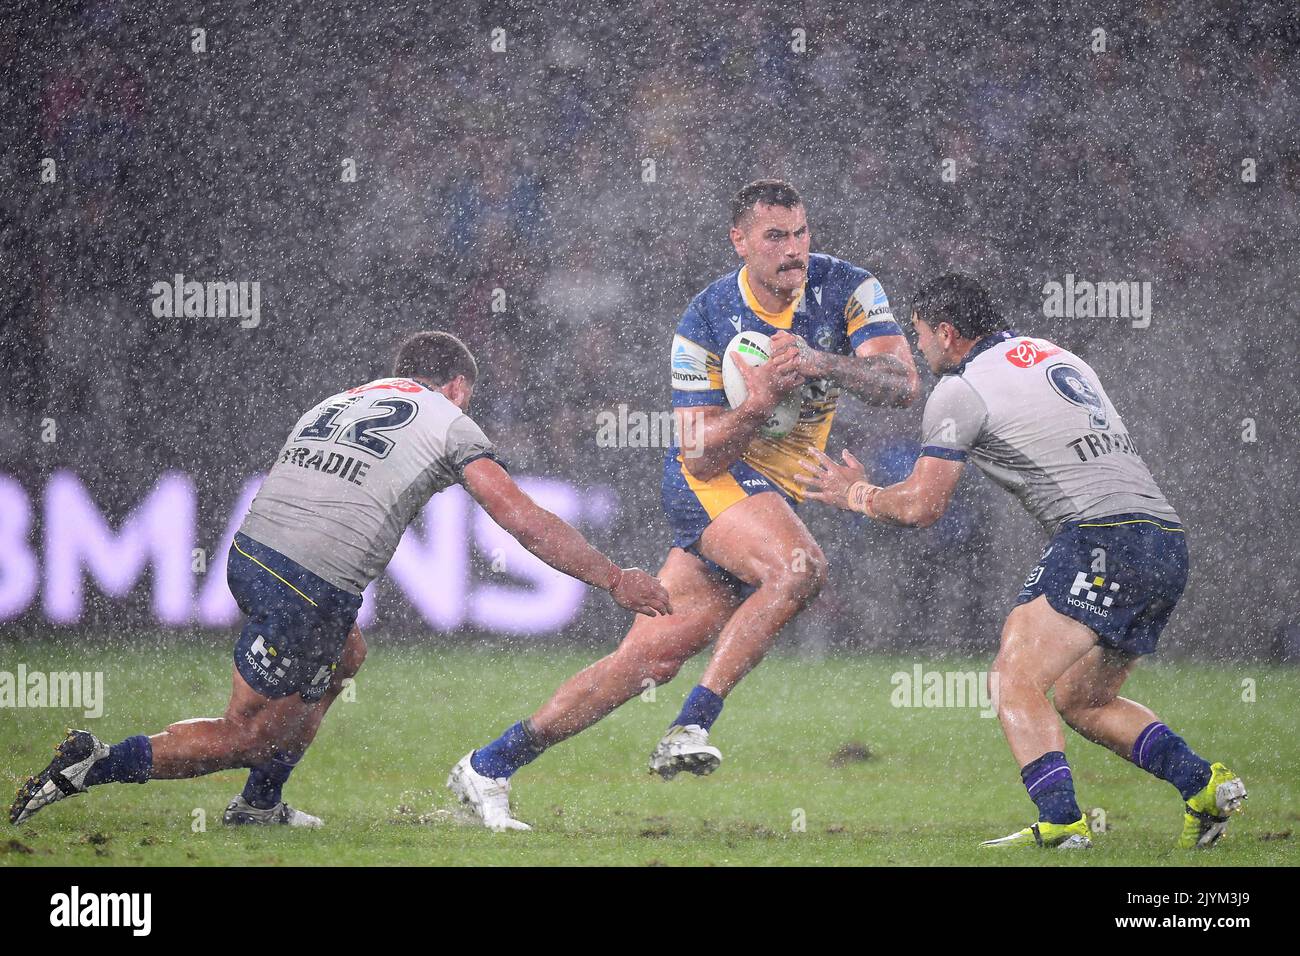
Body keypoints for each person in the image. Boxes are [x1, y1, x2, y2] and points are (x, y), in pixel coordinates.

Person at [10, 331, 670, 828]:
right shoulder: (450, 420)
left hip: (249, 555)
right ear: (458, 388)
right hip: (311, 587)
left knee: (346, 652)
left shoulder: (344, 399)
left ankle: (260, 806)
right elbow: (522, 520)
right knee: (249, 734)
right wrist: (612, 577)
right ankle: (92, 765)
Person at [449, 180, 918, 831]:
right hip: (709, 484)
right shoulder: (706, 317)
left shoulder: (849, 290)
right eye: (775, 237)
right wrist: (755, 405)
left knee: (644, 663)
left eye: (800, 233)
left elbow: (902, 385)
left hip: (766, 500)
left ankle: (488, 765)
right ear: (741, 240)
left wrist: (821, 362)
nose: (793, 250)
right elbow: (699, 454)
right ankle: (691, 726)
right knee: (798, 568)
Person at [797, 273, 1246, 849]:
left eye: (920, 335)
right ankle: (1204, 786)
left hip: (1102, 538)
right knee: (1084, 700)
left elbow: (923, 506)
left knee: (1015, 677)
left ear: (948, 332)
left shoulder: (959, 390)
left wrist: (856, 495)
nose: (920, 349)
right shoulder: (1060, 357)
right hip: (1164, 539)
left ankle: (1061, 823)